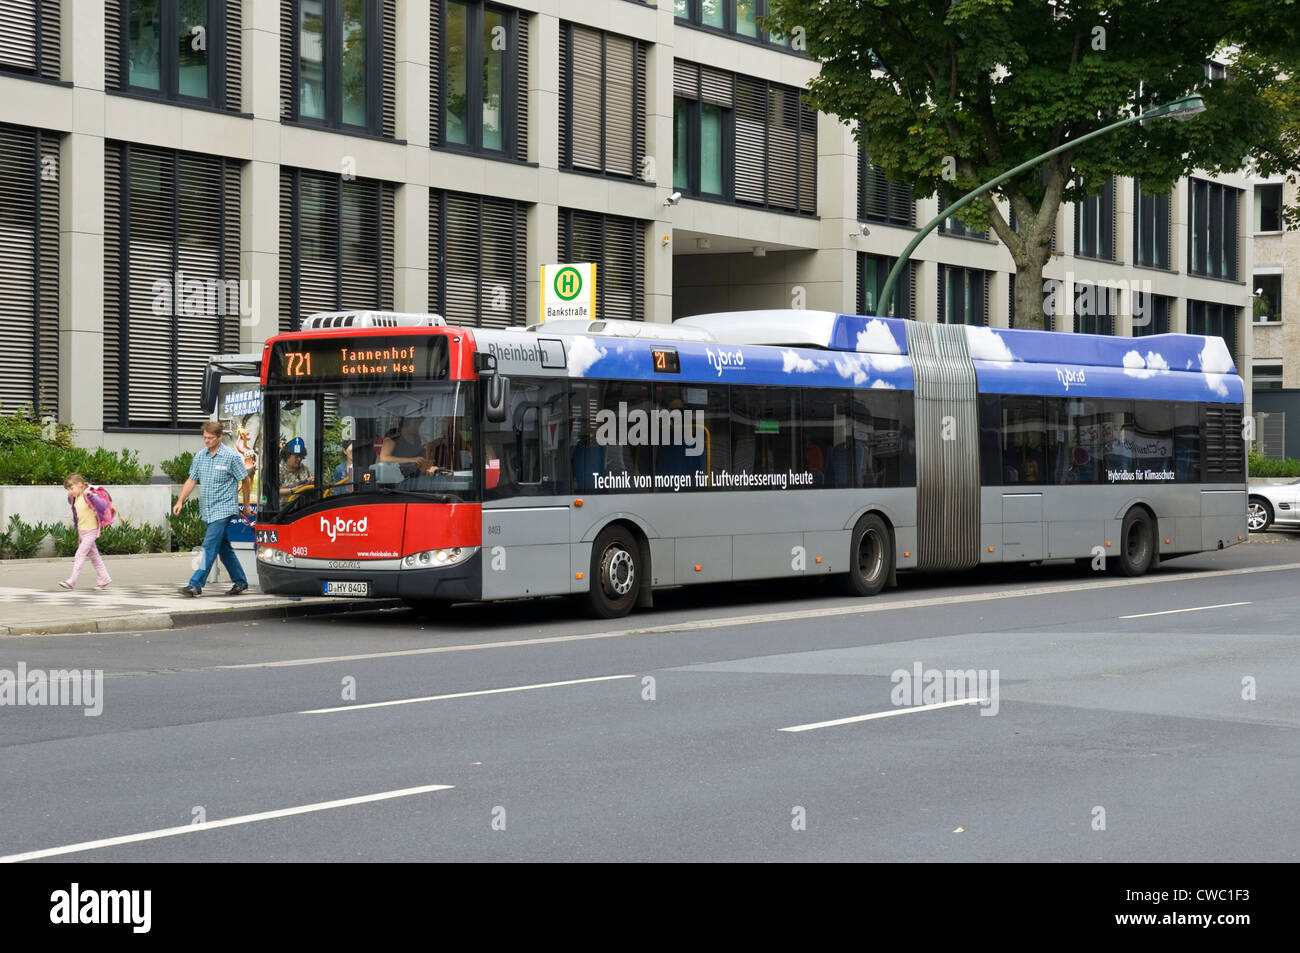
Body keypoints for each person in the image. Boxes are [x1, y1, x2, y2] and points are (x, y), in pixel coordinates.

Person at [174, 421, 252, 597]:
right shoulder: (201, 456)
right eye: (205, 438)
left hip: (224, 509)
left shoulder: (231, 456)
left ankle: (195, 584)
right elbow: (191, 479)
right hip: (208, 510)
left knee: (208, 546)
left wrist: (246, 505)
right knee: (224, 549)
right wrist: (180, 501)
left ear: (219, 437)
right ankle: (241, 581)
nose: (206, 441)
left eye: (210, 438)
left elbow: (245, 480)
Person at [59, 474, 112, 591]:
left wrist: (92, 496)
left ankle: (72, 581)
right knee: (94, 557)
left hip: (91, 531)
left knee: (80, 554)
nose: (70, 491)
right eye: (68, 489)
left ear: (80, 485)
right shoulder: (75, 498)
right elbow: (76, 514)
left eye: (71, 488)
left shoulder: (88, 494)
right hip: (82, 532)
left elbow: (102, 506)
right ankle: (104, 579)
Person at [381, 416, 445, 477]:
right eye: (415, 423)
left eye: (419, 423)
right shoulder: (394, 435)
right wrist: (410, 460)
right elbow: (384, 458)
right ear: (406, 422)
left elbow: (418, 457)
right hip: (394, 478)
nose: (417, 426)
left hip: (412, 475)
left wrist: (429, 465)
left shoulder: (416, 438)